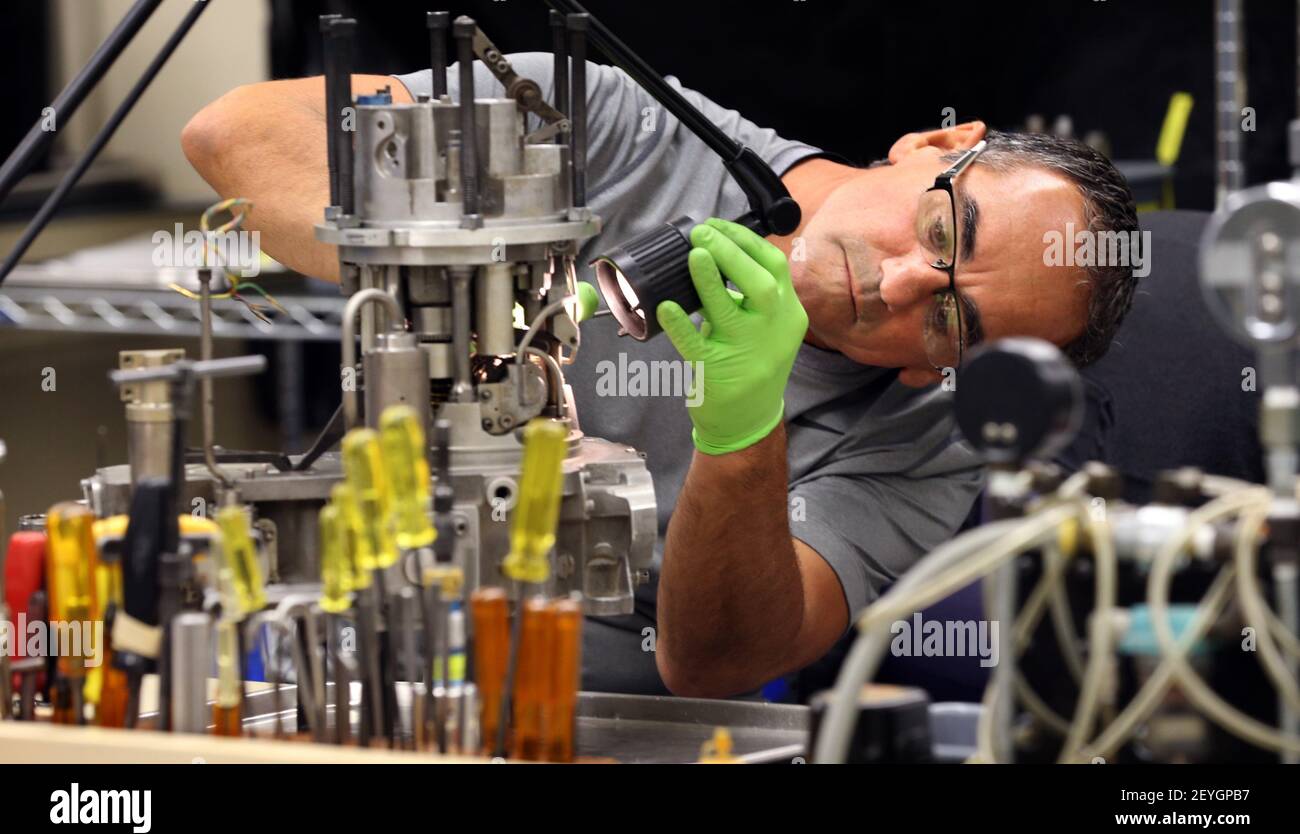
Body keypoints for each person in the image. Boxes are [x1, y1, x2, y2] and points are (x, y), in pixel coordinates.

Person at [181, 53, 1138, 697]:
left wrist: (743, 429)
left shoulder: (930, 441)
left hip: (578, 725)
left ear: (946, 373)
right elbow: (237, 135)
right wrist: (492, 276)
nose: (894, 282)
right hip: (332, 665)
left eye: (950, 319)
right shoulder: (616, 126)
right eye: (943, 229)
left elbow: (715, 662)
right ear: (930, 147)